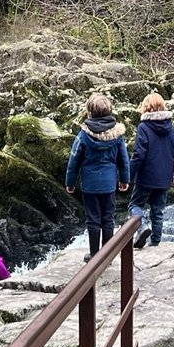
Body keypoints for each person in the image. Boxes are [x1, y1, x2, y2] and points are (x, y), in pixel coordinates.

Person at [65, 93, 130, 258]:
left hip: (90, 185)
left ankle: (94, 255)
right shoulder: (117, 136)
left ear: (90, 113)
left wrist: (70, 183)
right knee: (108, 218)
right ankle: (107, 255)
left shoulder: (83, 136)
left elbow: (73, 162)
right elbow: (124, 160)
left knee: (93, 220)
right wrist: (124, 179)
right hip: (109, 184)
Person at [128, 92, 174, 248]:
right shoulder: (172, 130)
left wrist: (127, 176)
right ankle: (155, 243)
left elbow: (138, 155)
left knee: (135, 205)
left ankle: (141, 227)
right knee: (158, 211)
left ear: (146, 107)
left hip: (146, 178)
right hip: (164, 179)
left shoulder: (143, 127)